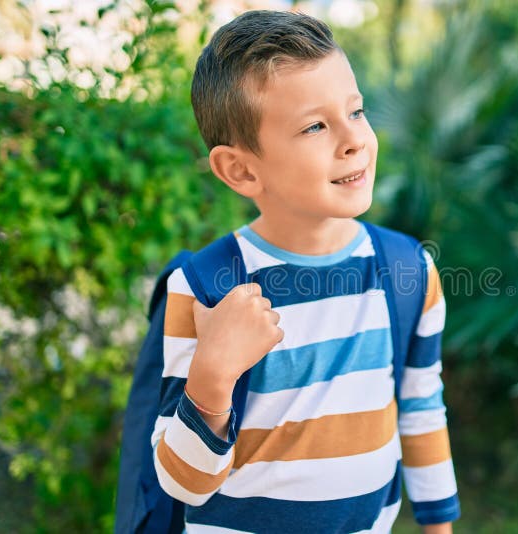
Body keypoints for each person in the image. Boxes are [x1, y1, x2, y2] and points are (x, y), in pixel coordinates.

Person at [151, 10, 460, 533]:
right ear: (242, 169)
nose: (353, 139)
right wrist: (211, 379)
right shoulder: (206, 289)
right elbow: (183, 485)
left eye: (356, 112)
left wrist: (438, 527)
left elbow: (422, 409)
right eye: (315, 125)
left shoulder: (408, 272)